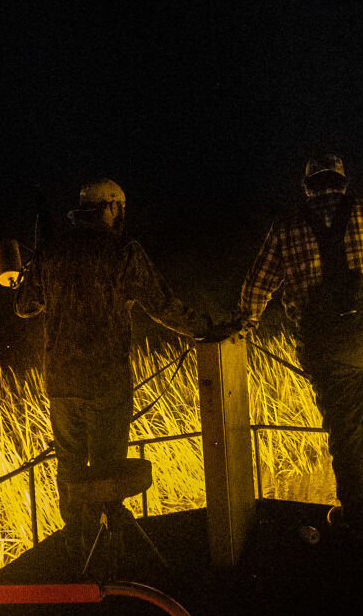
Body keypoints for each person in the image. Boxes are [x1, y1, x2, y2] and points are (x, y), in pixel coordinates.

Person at [235, 153, 363, 549]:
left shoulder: (285, 228)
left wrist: (245, 324)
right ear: (342, 182)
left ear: (308, 188)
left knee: (349, 435)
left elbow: (255, 290)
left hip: (322, 345)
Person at [14, 177, 214, 552]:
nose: (121, 215)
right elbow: (162, 305)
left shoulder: (52, 250)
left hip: (60, 383)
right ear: (110, 207)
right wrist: (205, 328)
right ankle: (110, 555)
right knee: (108, 472)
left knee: (70, 470)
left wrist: (34, 264)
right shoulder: (122, 250)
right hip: (106, 382)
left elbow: (24, 306)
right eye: (119, 208)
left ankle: (76, 546)